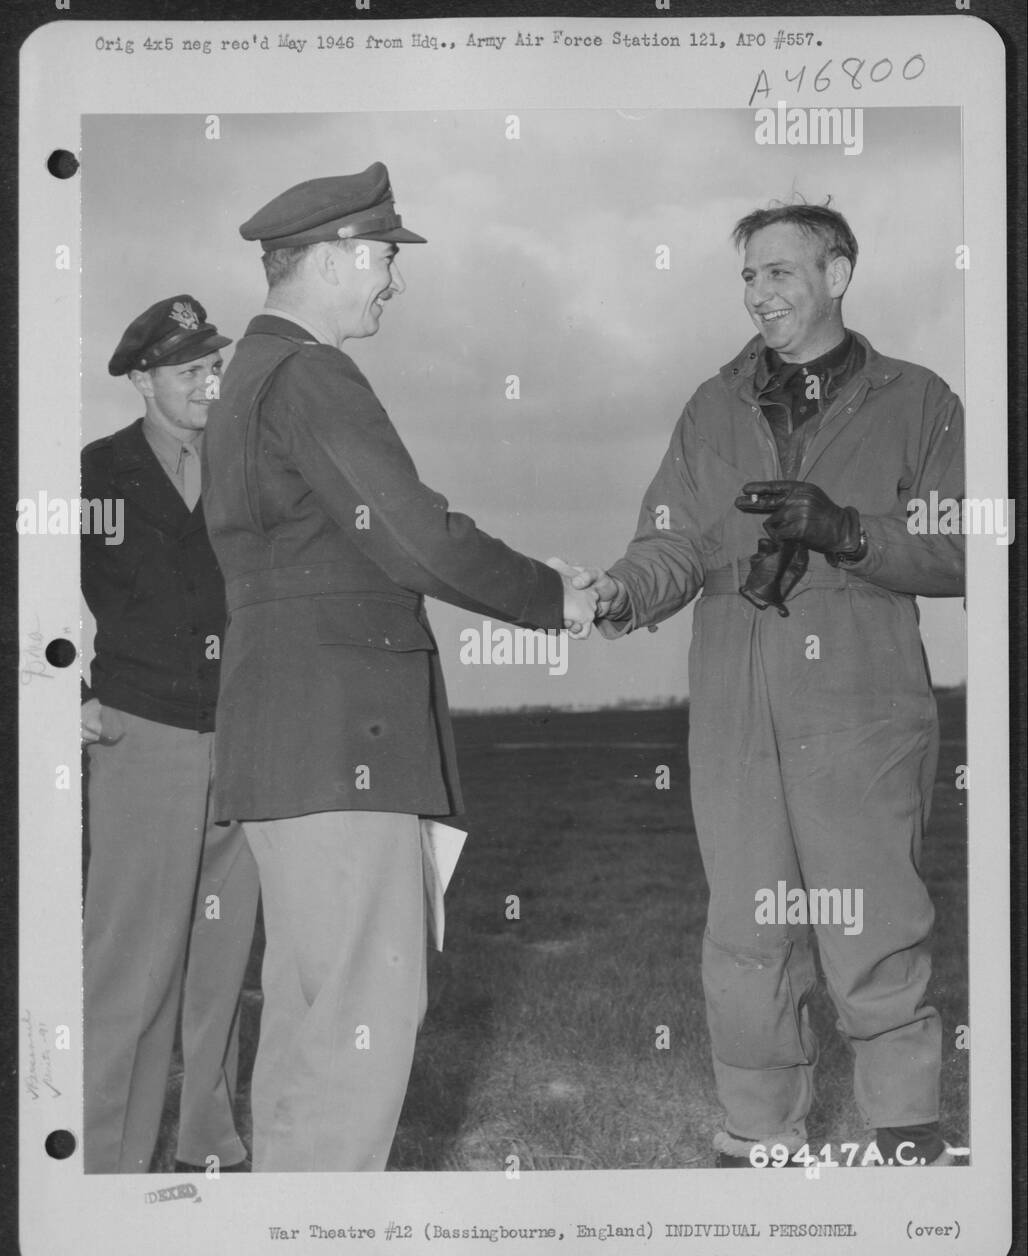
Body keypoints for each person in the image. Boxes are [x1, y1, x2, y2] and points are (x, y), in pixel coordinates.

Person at [202, 163, 597, 1172]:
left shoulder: (247, 375)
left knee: (307, 1015)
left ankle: (279, 1248)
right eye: (382, 258)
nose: (391, 280)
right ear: (333, 257)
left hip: (283, 745)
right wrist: (556, 597)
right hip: (344, 749)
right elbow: (414, 536)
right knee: (361, 1018)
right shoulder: (309, 373)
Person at [571, 203, 964, 1168]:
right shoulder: (713, 406)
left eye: (781, 273)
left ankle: (905, 1134)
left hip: (863, 709)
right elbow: (674, 538)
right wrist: (620, 591)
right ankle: (758, 1137)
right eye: (748, 277)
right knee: (746, 931)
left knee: (874, 920)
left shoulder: (921, 401)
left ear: (838, 273)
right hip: (736, 711)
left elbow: (968, 546)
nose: (760, 296)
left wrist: (849, 532)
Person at [81, 297, 261, 1174]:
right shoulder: (94, 475)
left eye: (213, 363)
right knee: (133, 967)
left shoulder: (246, 463)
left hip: (243, 740)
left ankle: (209, 1152)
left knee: (222, 962)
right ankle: (104, 1169)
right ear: (142, 378)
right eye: (188, 369)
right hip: (142, 737)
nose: (208, 382)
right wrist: (61, 695)